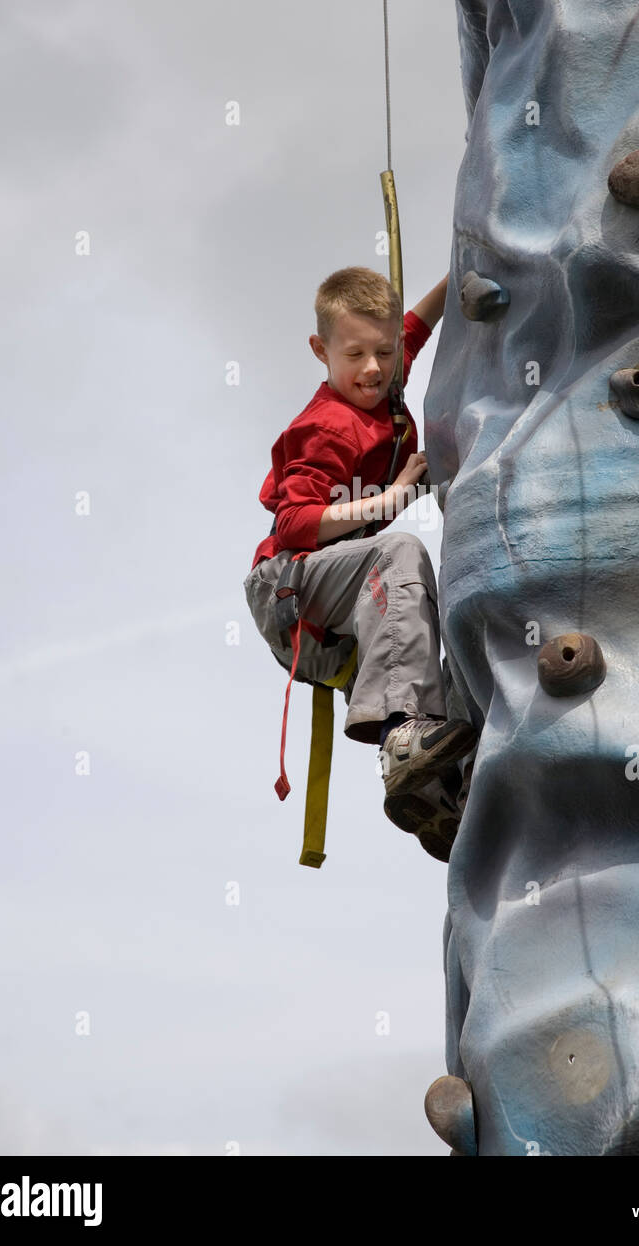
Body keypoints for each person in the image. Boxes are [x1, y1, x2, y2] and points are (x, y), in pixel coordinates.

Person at [244, 266, 478, 860]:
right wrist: (392, 498)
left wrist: (467, 264)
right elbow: (295, 523)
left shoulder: (383, 378)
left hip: (342, 615)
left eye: (383, 353)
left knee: (445, 619)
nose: (373, 368)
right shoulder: (328, 425)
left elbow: (415, 327)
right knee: (401, 553)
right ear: (321, 351)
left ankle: (439, 794)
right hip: (290, 591)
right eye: (354, 355)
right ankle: (403, 733)